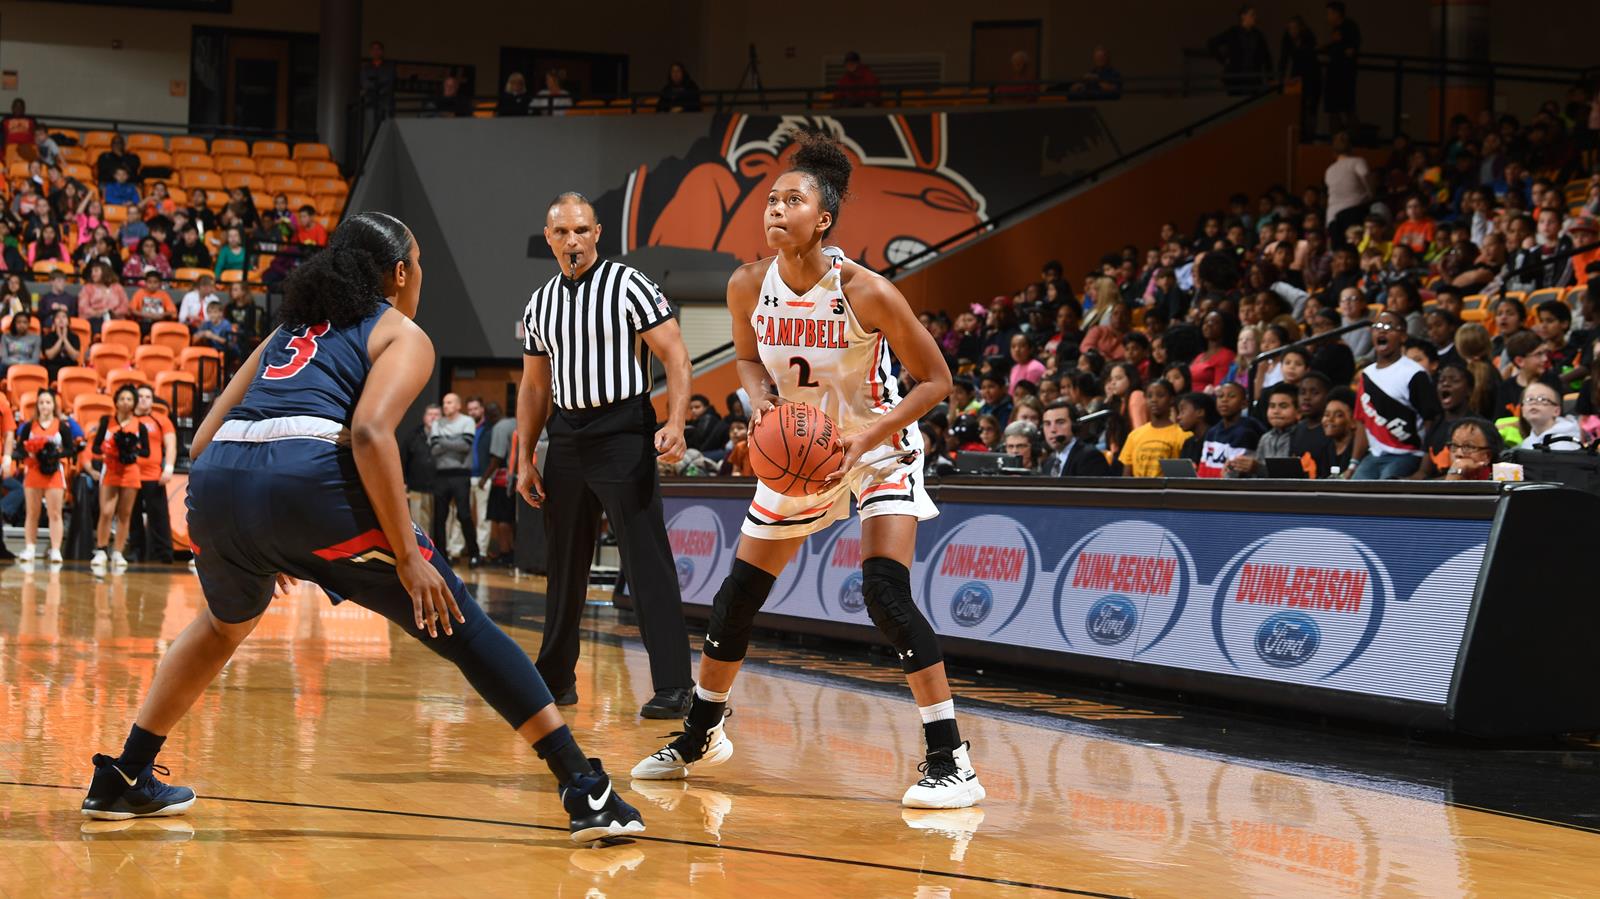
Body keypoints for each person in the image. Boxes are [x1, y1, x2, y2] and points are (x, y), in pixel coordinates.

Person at [78, 211, 643, 841]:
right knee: (458, 621)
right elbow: (372, 432)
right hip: (303, 481)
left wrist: (262, 536)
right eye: (420, 263)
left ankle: (125, 776)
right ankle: (584, 789)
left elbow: (207, 434)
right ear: (400, 273)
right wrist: (406, 553)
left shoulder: (286, 330)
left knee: (220, 627)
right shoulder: (401, 333)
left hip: (217, 484)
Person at [628, 133, 984, 810]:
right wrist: (759, 401)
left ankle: (952, 760)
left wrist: (868, 435)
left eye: (794, 198)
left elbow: (936, 379)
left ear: (823, 218)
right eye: (771, 198)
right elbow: (747, 359)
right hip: (802, 445)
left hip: (877, 443)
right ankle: (704, 732)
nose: (775, 208)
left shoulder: (865, 290)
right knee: (736, 597)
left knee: (885, 591)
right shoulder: (745, 283)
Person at [517, 191, 695, 719]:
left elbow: (677, 357)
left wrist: (677, 422)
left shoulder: (630, 285)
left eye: (581, 230)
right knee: (563, 563)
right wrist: (526, 456)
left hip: (623, 429)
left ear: (597, 234)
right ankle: (555, 679)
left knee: (645, 560)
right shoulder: (538, 303)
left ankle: (673, 684)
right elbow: (533, 389)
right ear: (549, 238)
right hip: (566, 435)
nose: (572, 240)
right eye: (561, 232)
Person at [1351, 311, 1440, 479]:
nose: (1382, 331)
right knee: (1353, 494)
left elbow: (1432, 422)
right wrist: (1353, 463)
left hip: (1408, 455)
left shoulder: (1414, 373)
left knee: (1386, 494)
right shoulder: (1366, 374)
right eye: (1377, 326)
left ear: (1403, 337)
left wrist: (1424, 469)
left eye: (1389, 327)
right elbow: (1362, 422)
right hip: (1374, 456)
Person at [14, 388, 81, 564]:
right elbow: (19, 449)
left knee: (55, 513)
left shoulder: (62, 426)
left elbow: (70, 449)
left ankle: (56, 550)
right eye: (41, 402)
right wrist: (29, 453)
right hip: (33, 471)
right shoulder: (29, 426)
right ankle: (30, 547)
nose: (45, 405)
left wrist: (54, 454)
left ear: (53, 405)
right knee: (32, 512)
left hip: (53, 473)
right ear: (37, 405)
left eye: (48, 402)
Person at [88, 384, 150, 573]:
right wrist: (111, 448)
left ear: (134, 402)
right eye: (122, 398)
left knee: (125, 514)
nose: (125, 402)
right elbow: (95, 447)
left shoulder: (140, 426)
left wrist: (131, 451)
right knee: (106, 511)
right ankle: (101, 550)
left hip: (130, 471)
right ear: (116, 401)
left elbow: (146, 451)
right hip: (110, 469)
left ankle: (118, 552)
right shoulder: (106, 421)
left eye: (129, 399)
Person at [429, 392, 480, 566]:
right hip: (441, 475)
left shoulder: (467, 421)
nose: (446, 405)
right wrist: (453, 442)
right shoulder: (437, 423)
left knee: (464, 514)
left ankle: (475, 553)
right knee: (439, 517)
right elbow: (434, 449)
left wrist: (443, 440)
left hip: (461, 475)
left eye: (449, 402)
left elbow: (465, 446)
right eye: (444, 402)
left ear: (458, 405)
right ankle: (441, 555)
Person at [1119, 380, 1190, 477]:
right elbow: (1126, 475)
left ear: (1171, 399)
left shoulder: (1183, 435)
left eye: (1160, 395)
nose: (1154, 400)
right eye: (1149, 396)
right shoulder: (1134, 435)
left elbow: (1183, 476)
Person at [479, 405, 519, 562]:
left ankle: (505, 552)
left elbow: (497, 457)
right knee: (511, 518)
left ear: (489, 415)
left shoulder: (500, 427)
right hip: (520, 477)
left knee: (502, 518)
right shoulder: (516, 422)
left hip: (504, 479)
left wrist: (484, 478)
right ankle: (513, 551)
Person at [1199, 382, 1264, 477]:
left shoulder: (1246, 432)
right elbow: (1203, 467)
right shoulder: (1212, 432)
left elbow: (1234, 473)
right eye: (1220, 396)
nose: (1224, 400)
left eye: (1231, 396)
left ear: (1244, 403)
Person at [1208, 5, 1273, 95]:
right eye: (1252, 14)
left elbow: (1267, 57)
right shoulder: (1233, 32)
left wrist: (1270, 79)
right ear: (1243, 16)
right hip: (1236, 79)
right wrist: (1223, 60)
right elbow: (1211, 43)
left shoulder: (1258, 35)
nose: (1255, 17)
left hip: (1253, 80)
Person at [1324, 132, 1372, 248]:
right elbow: (1365, 174)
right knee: (1353, 250)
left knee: (1338, 251)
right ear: (1352, 147)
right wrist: (1371, 192)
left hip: (1332, 215)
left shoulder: (1330, 169)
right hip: (1353, 211)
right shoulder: (1357, 161)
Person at [402, 403, 441, 537]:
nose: (433, 418)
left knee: (440, 524)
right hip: (416, 487)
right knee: (419, 523)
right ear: (424, 417)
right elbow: (403, 459)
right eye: (430, 414)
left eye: (436, 415)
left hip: (440, 489)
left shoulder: (447, 435)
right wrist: (404, 482)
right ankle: (423, 552)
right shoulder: (413, 436)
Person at [1279, 15, 1321, 134]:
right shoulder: (1287, 38)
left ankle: (1309, 136)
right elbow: (1283, 59)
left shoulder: (1309, 37)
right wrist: (1281, 78)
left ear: (1300, 28)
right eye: (1290, 28)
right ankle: (1299, 135)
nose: (1292, 31)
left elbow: (1310, 59)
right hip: (1296, 74)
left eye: (1294, 28)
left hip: (1312, 75)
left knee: (1310, 107)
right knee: (1296, 108)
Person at [40, 308, 81, 381]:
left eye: (64, 317)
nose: (61, 319)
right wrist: (60, 339)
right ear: (54, 322)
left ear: (68, 322)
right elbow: (50, 356)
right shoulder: (48, 337)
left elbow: (74, 356)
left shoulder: (74, 337)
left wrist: (65, 339)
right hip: (53, 368)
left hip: (70, 367)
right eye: (58, 317)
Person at [0, 311, 40, 378]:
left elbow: (35, 360)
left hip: (29, 365)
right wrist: (17, 364)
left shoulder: (36, 338)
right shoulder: (5, 336)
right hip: (8, 365)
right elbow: (4, 359)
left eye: (25, 322)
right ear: (14, 323)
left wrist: (21, 364)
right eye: (19, 322)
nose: (22, 325)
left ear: (29, 324)